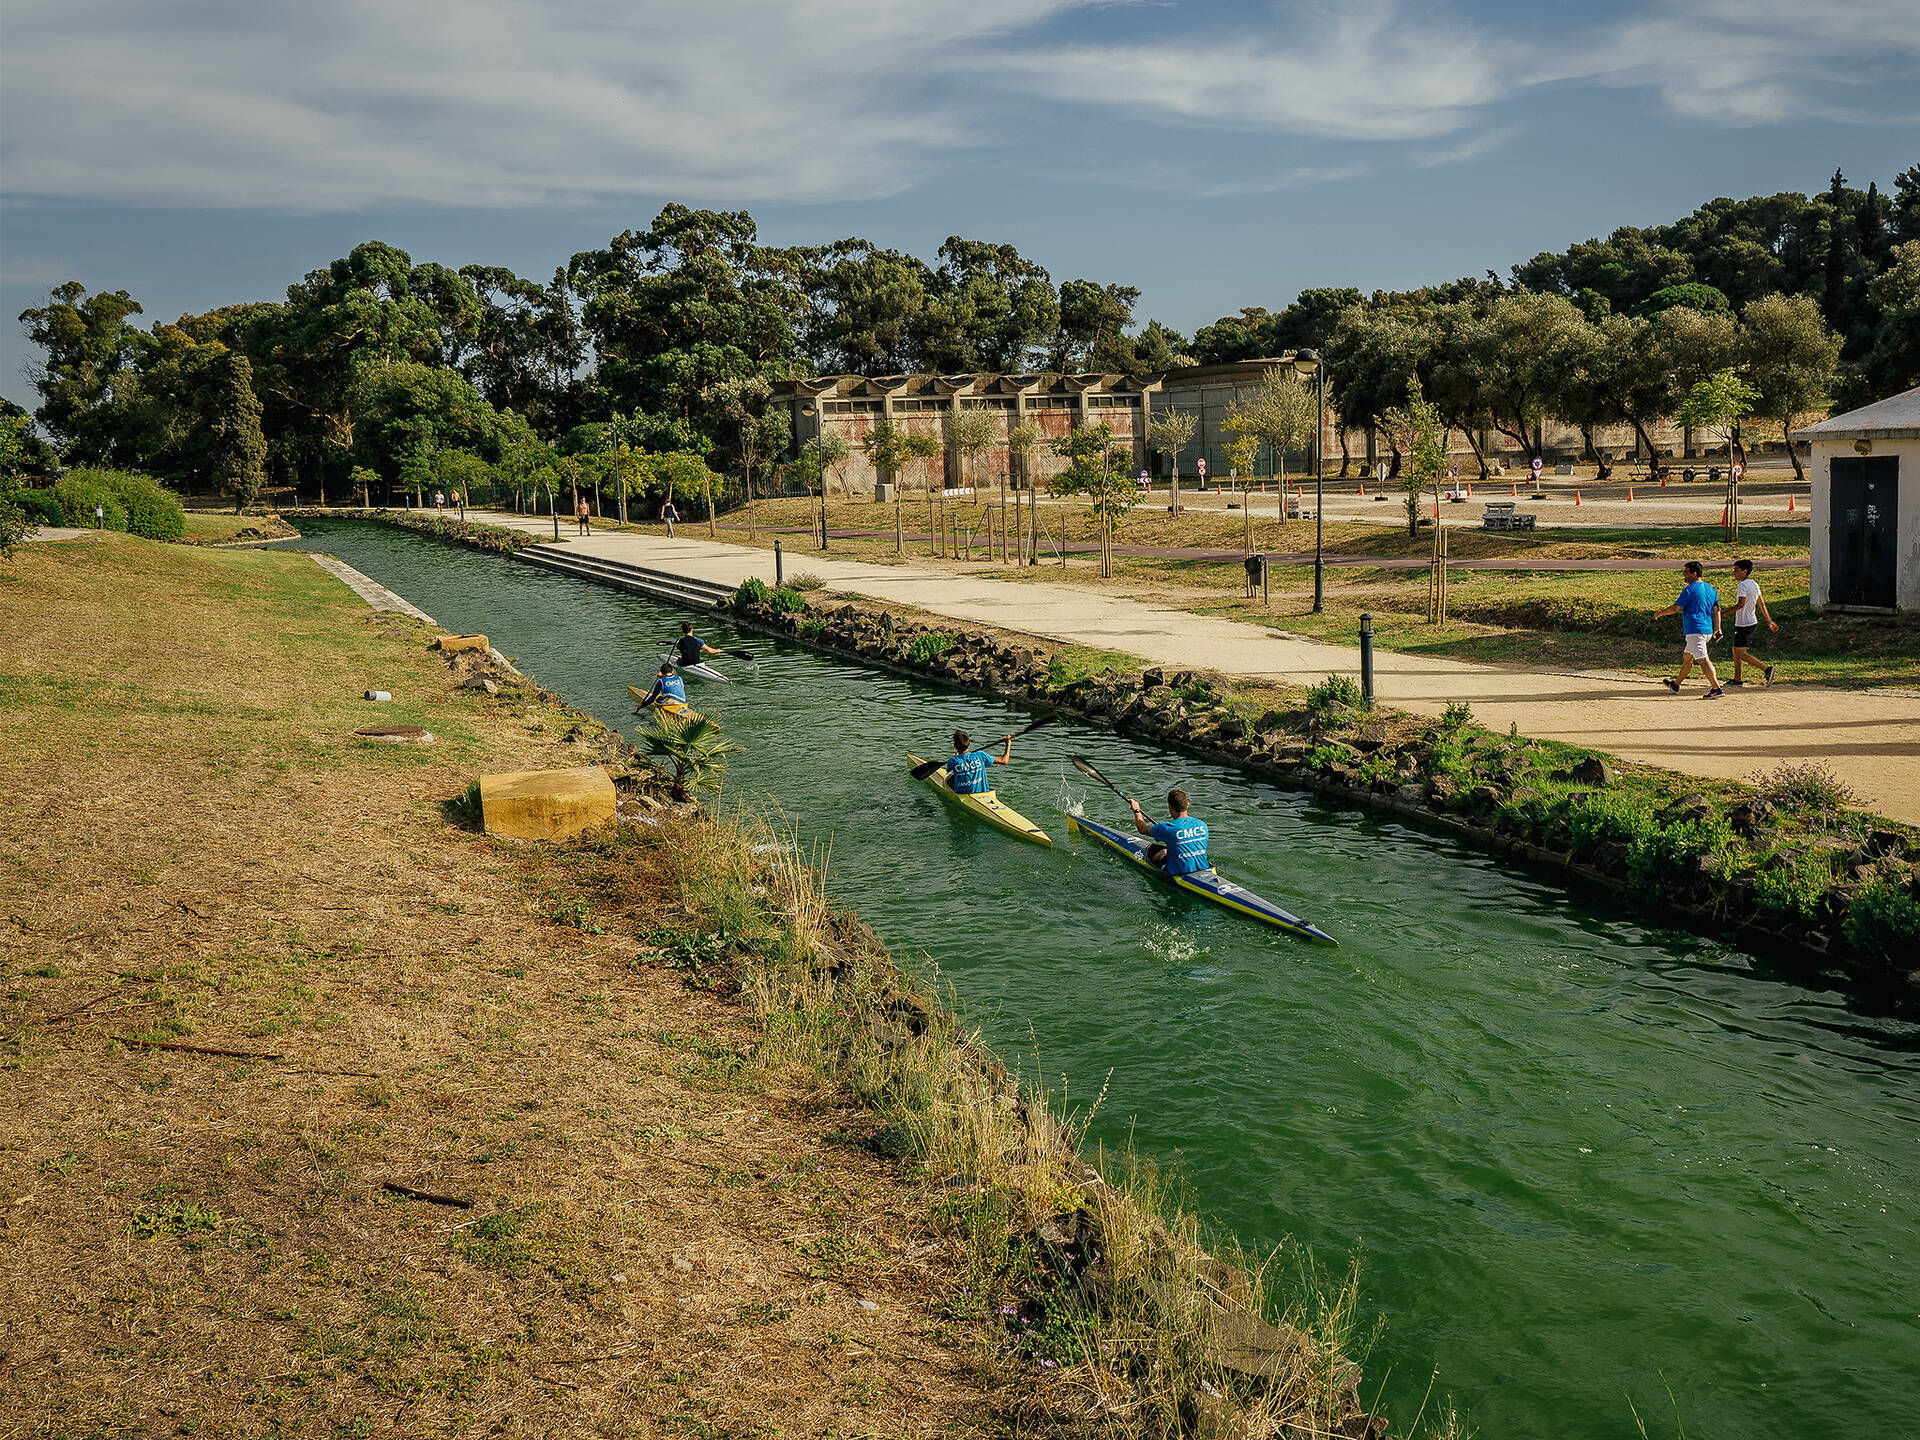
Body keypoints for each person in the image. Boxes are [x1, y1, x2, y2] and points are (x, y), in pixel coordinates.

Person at [1655, 560, 1723, 699]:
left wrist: (1660, 613)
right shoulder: (1711, 589)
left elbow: (1676, 608)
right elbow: (1716, 610)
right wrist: (1717, 628)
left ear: (1694, 573)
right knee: (1687, 658)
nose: (1683, 575)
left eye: (1686, 572)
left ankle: (1716, 688)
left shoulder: (1690, 589)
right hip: (1706, 629)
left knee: (1703, 660)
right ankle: (1676, 684)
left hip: (1695, 630)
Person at [1130, 788, 1210, 876]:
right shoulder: (1202, 825)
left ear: (1170, 808)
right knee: (1166, 851)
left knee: (1162, 853)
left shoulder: (1167, 828)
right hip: (1203, 868)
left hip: (1179, 873)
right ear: (1187, 805)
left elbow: (1142, 829)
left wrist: (1137, 810)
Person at [1725, 558, 1778, 687]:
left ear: (1745, 571)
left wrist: (1722, 614)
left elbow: (1740, 604)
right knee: (1735, 649)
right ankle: (1737, 679)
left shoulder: (1742, 585)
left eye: (1736, 570)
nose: (1734, 573)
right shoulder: (1754, 584)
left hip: (1743, 623)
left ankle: (1766, 669)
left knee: (1740, 653)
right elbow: (1761, 603)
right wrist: (1769, 621)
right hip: (1751, 621)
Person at [944, 729, 1014, 795]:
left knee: (952, 777)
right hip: (984, 793)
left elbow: (948, 771)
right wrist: (1008, 744)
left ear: (954, 746)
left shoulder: (952, 761)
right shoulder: (980, 755)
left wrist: (956, 757)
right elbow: (1004, 761)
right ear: (969, 743)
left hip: (963, 795)